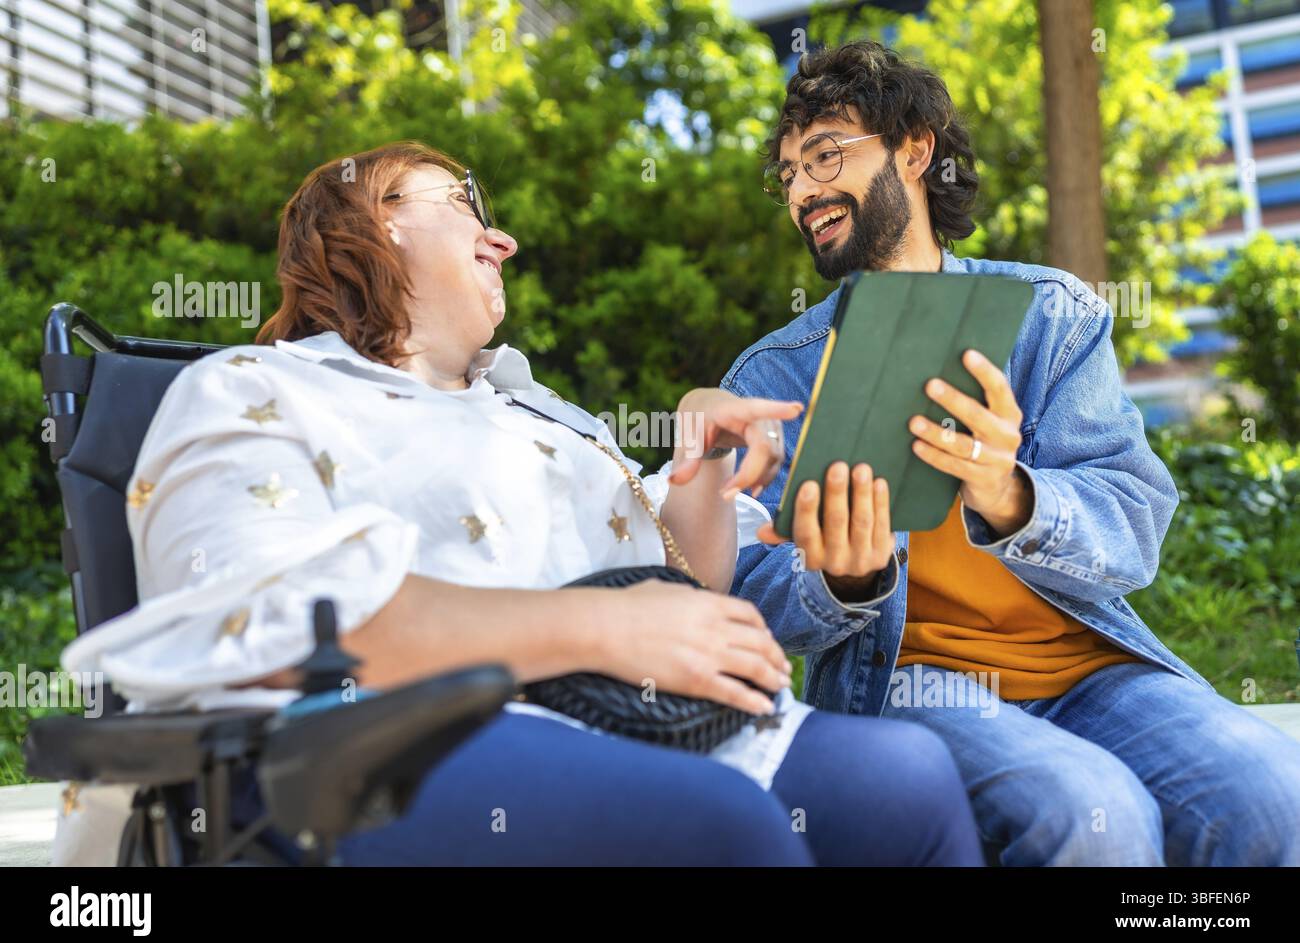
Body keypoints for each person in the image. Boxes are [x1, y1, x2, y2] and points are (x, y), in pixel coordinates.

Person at [57, 141, 983, 867]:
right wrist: (595, 630)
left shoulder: (537, 417)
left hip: (616, 716)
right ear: (367, 229)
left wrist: (696, 467)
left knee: (905, 780)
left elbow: (671, 596)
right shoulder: (255, 388)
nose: (500, 238)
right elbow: (274, 615)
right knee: (716, 831)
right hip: (373, 734)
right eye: (461, 207)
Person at [723, 39, 1300, 866]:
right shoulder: (769, 377)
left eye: (825, 157)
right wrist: (841, 579)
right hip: (910, 685)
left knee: (1277, 795)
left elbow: (1134, 525)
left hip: (1092, 670)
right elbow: (742, 589)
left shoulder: (1050, 316)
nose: (804, 191)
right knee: (1090, 813)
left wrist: (1011, 494)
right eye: (789, 176)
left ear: (915, 149)